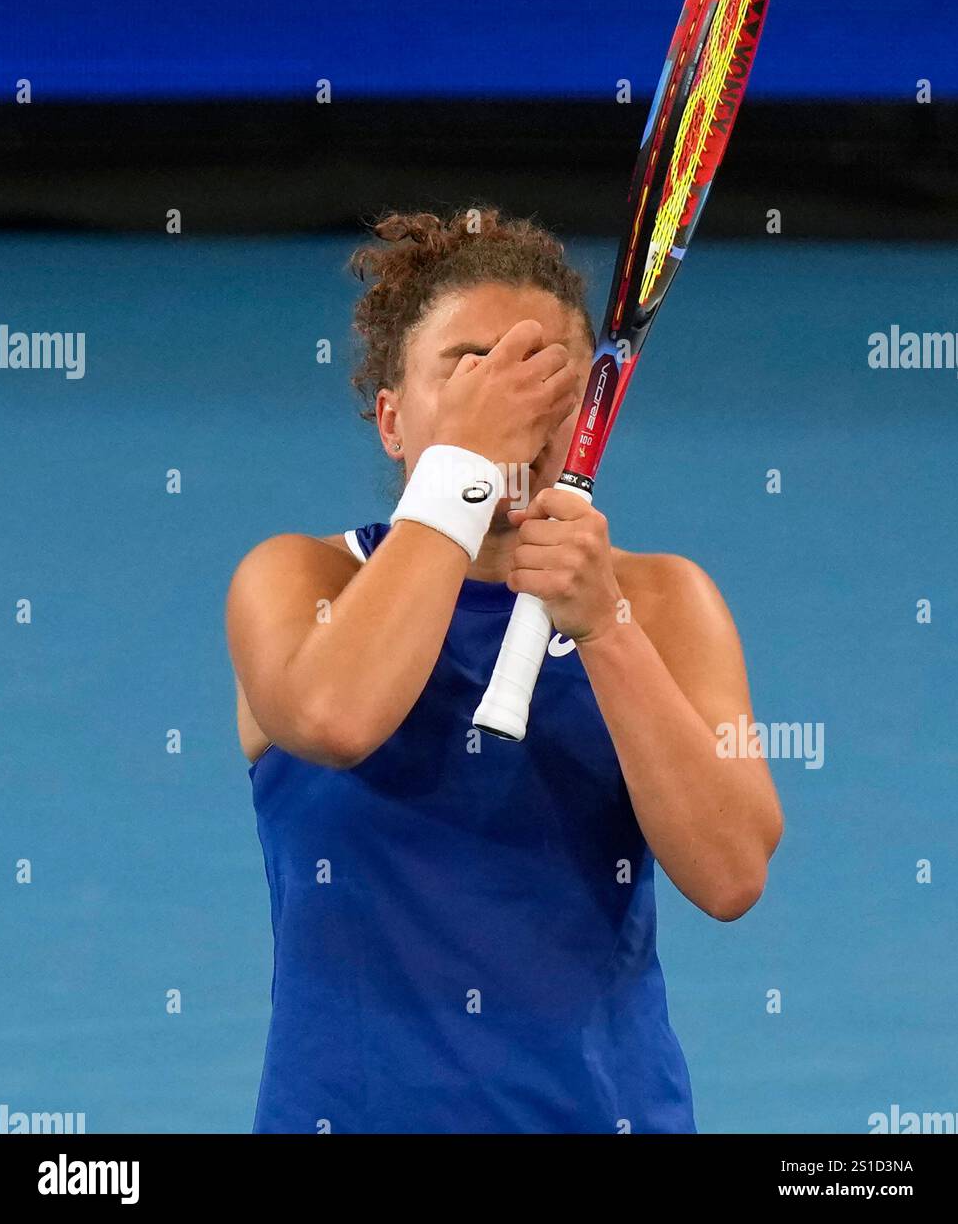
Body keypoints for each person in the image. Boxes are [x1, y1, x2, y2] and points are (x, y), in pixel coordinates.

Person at [226, 207, 783, 1133]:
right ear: (393, 422)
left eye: (545, 371)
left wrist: (605, 630)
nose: (511, 398)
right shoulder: (297, 578)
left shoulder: (664, 601)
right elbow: (334, 717)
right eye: (472, 366)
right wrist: (463, 475)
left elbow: (730, 875)